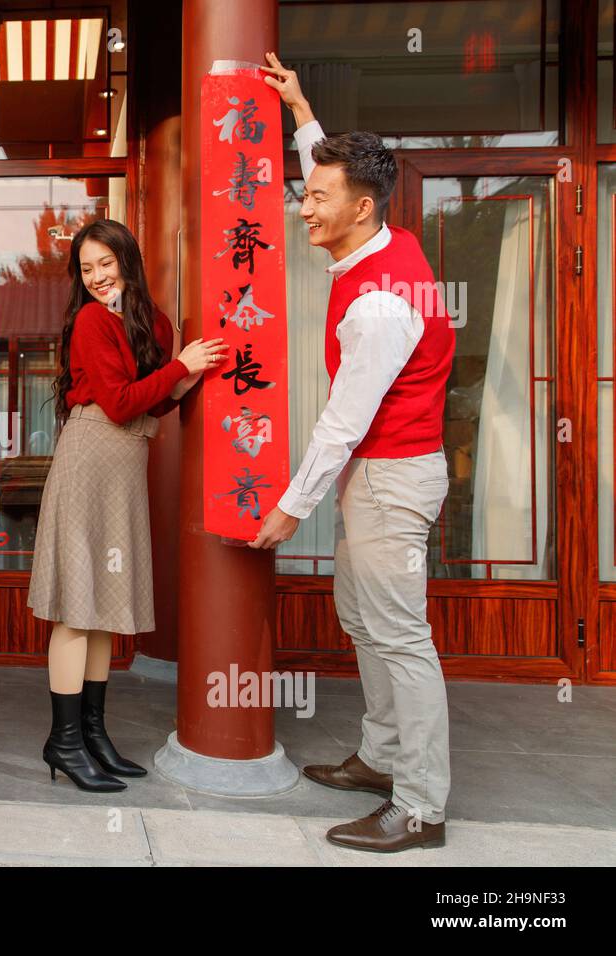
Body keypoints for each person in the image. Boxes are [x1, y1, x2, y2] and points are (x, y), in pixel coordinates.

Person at [254, 52, 455, 852]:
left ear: (362, 208)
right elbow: (328, 164)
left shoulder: (378, 304)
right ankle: (380, 758)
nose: (304, 206)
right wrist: (302, 112)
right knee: (364, 621)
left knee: (399, 636)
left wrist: (287, 508)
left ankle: (420, 806)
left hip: (391, 478)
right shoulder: (379, 242)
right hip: (382, 477)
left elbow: (342, 420)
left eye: (319, 199)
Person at [27, 219, 227, 792]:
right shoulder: (92, 319)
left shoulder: (152, 322)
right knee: (76, 606)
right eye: (86, 269)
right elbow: (117, 403)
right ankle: (64, 741)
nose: (95, 278)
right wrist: (180, 369)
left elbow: (152, 401)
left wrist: (182, 378)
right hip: (92, 455)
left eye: (105, 264)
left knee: (102, 607)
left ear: (127, 260)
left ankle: (92, 734)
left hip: (124, 462)